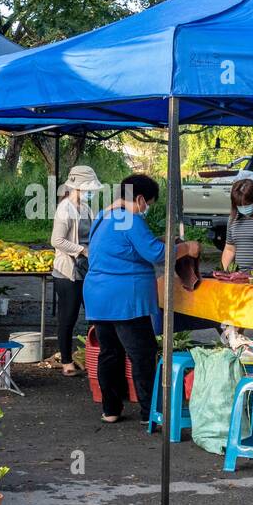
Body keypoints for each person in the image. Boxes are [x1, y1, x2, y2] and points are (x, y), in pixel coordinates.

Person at [84, 174, 200, 423]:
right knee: (142, 354)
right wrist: (187, 248)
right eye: (148, 203)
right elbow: (157, 254)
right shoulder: (131, 219)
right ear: (139, 199)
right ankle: (150, 413)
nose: (147, 208)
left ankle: (110, 410)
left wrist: (161, 242)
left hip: (98, 296)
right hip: (125, 299)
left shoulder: (103, 216)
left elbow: (130, 247)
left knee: (110, 353)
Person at [51, 165, 101, 376]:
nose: (91, 192)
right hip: (67, 272)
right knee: (68, 317)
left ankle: (92, 357)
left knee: (95, 316)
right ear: (77, 187)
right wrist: (82, 250)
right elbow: (57, 240)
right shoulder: (65, 209)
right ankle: (66, 361)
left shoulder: (86, 208)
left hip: (87, 269)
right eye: (88, 188)